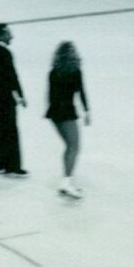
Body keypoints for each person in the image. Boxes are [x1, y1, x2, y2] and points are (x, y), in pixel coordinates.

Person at [45, 41, 92, 202]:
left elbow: (50, 96)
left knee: (69, 146)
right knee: (74, 147)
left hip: (54, 113)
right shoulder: (75, 71)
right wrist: (86, 111)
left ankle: (66, 181)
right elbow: (81, 92)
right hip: (67, 113)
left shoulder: (53, 72)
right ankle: (66, 182)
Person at [0, 24, 27, 178]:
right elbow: (12, 76)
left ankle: (0, 163)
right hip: (5, 95)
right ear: (1, 35)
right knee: (11, 129)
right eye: (8, 34)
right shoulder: (5, 53)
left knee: (2, 128)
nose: (11, 36)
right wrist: (20, 95)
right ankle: (13, 166)